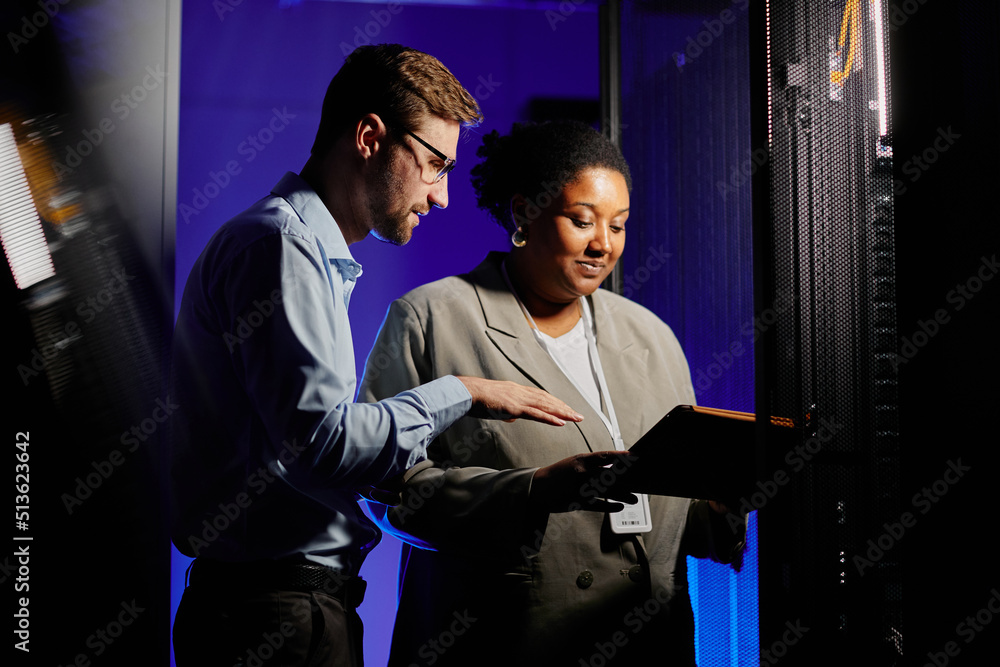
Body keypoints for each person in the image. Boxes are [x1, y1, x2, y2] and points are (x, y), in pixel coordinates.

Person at [169, 46, 585, 667]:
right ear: (369, 137)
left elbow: (318, 453)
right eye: (435, 166)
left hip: (289, 610)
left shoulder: (301, 250)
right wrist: (465, 391)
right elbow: (321, 443)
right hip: (276, 616)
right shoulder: (279, 247)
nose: (442, 197)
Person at [360, 120, 747, 666]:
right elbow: (387, 487)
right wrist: (533, 491)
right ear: (523, 214)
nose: (603, 245)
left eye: (619, 226)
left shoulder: (652, 337)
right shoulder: (431, 319)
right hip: (507, 643)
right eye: (581, 221)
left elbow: (683, 519)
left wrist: (724, 507)